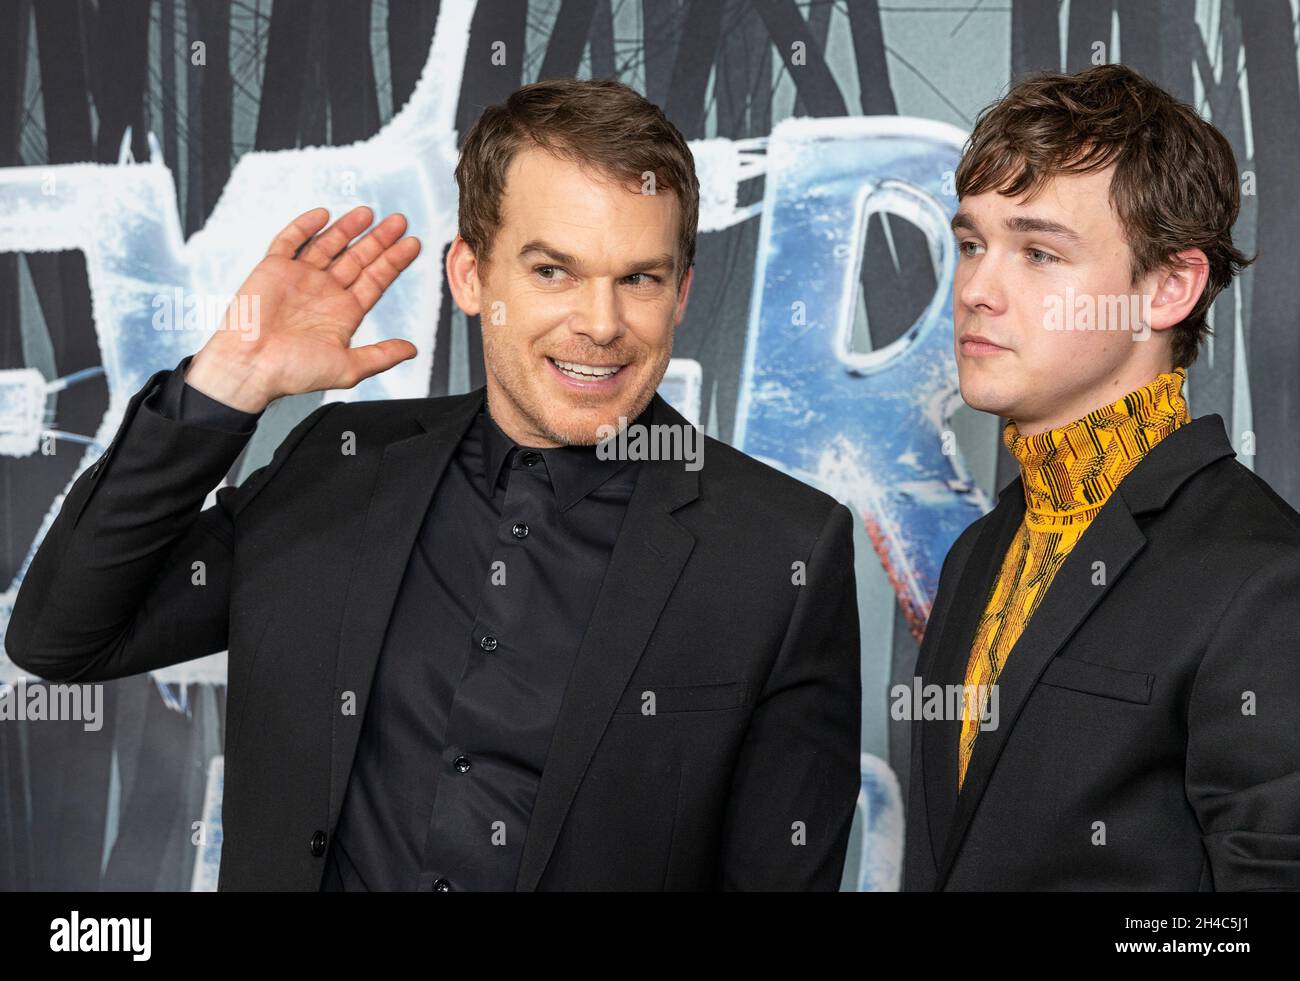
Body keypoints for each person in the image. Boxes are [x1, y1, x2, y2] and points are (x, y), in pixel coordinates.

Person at [7, 78, 861, 891]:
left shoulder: (780, 550)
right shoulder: (341, 464)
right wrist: (226, 381)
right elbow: (61, 636)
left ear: (681, 293)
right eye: (552, 271)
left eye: (638, 278)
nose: (600, 325)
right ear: (470, 276)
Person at [904, 63, 1300, 891]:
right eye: (973, 243)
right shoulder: (977, 552)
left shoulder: (1267, 579)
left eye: (1039, 252)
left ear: (1168, 288)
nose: (976, 288)